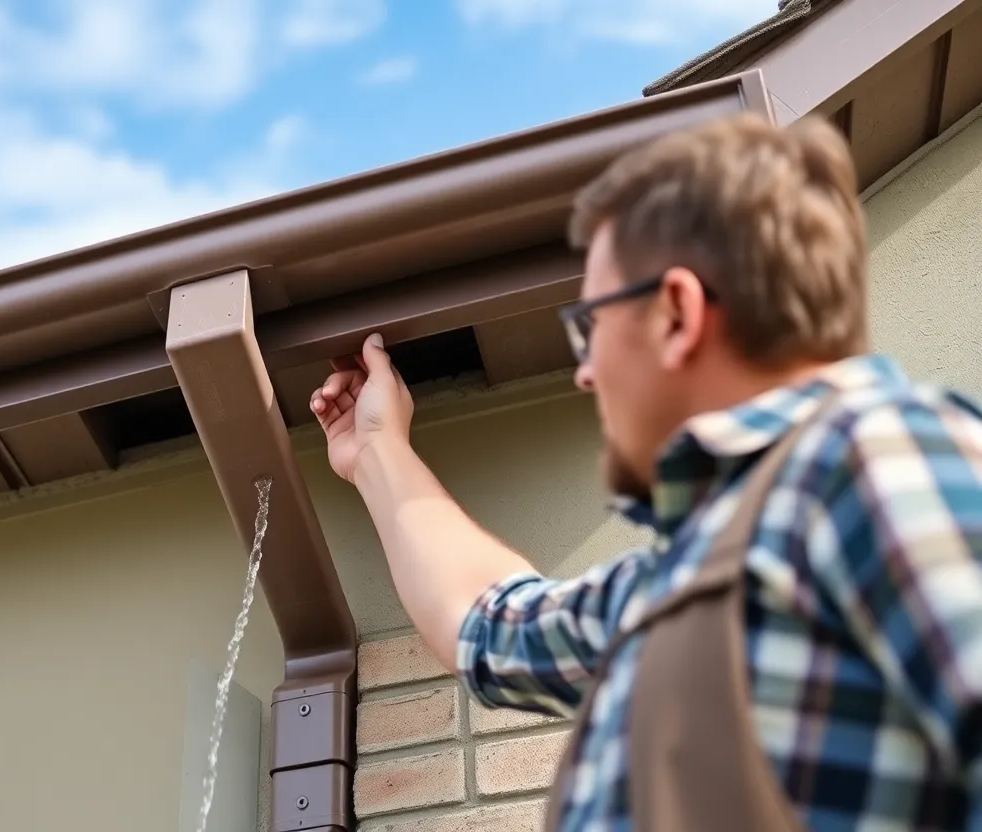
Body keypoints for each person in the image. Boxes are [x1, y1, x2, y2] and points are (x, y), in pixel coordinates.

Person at [310, 112, 982, 831]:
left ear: (676, 313)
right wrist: (379, 450)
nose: (587, 374)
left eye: (591, 327)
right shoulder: (675, 591)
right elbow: (484, 624)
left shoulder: (873, 460)